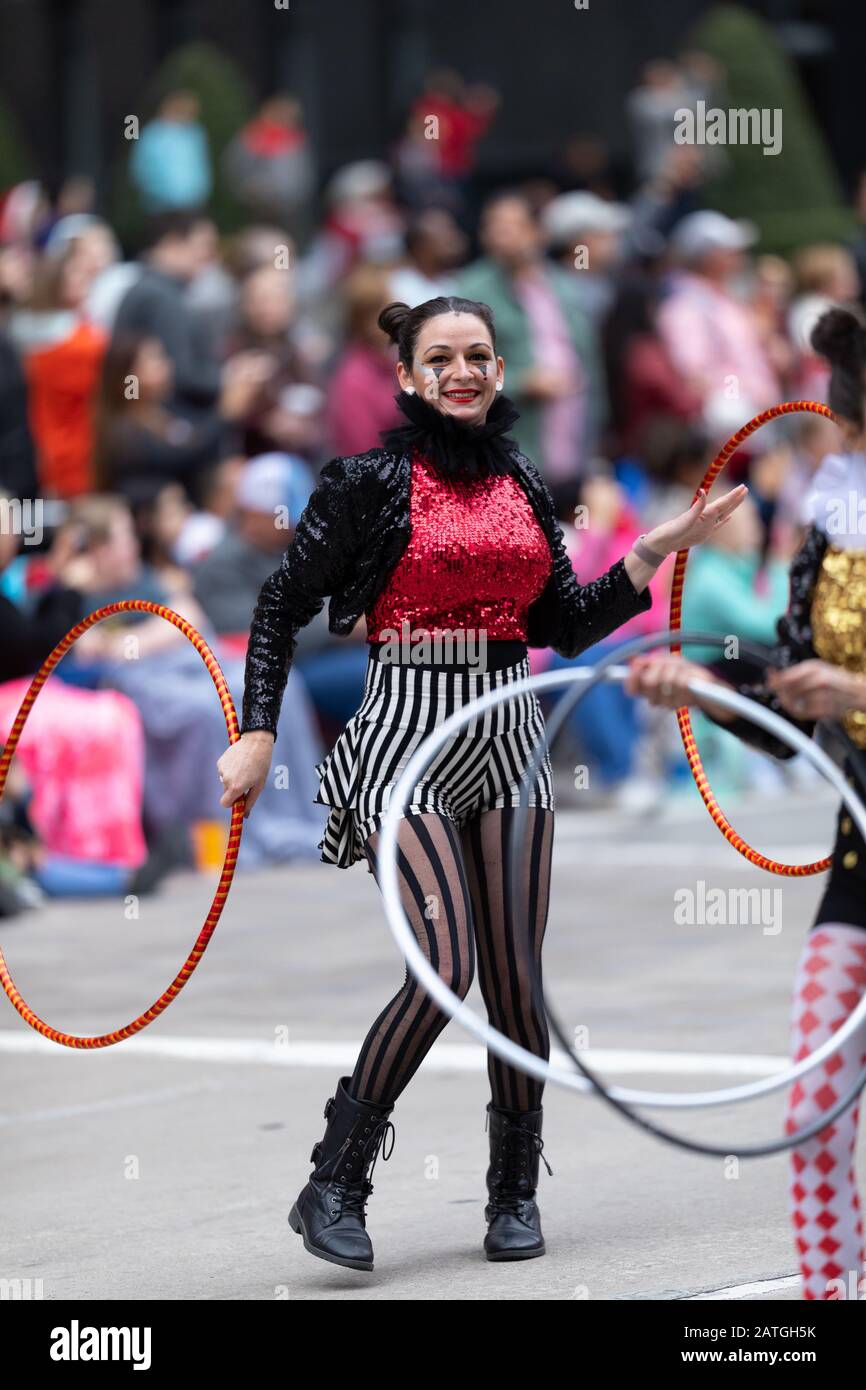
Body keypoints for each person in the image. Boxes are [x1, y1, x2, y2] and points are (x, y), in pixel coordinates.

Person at [216, 292, 747, 1273]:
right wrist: (255, 732)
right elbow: (283, 597)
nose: (463, 371)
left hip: (503, 735)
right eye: (442, 358)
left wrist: (653, 551)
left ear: (499, 372)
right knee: (444, 961)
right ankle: (333, 1178)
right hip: (406, 738)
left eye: (479, 356)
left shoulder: (519, 477)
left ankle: (511, 1191)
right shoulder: (367, 479)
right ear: (410, 377)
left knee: (512, 980)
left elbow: (559, 623)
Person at [624, 305, 866, 1301]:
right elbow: (793, 713)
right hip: (861, 856)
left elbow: (837, 695)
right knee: (810, 1105)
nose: (835, 442)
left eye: (845, 424)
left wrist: (856, 694)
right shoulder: (836, 522)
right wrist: (703, 686)